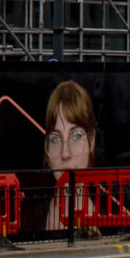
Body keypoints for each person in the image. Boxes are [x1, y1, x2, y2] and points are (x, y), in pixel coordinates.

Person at [44, 81, 98, 232]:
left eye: (76, 136)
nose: (65, 153)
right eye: (55, 139)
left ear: (91, 141)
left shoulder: (107, 212)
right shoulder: (30, 218)